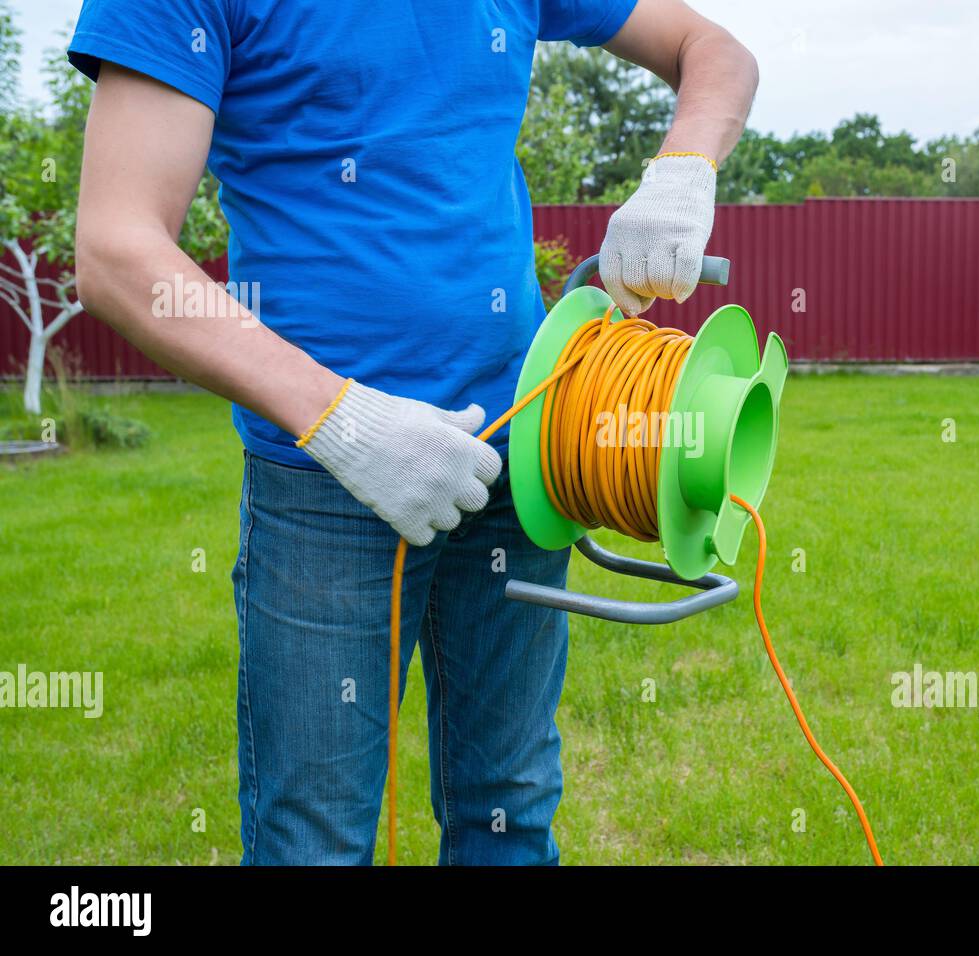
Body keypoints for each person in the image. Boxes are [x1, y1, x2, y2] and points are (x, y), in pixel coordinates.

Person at [69, 0, 757, 864]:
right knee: (311, 838)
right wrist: (342, 422)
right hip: (326, 482)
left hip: (525, 465)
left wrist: (683, 168)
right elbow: (116, 250)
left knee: (509, 806)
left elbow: (713, 48)